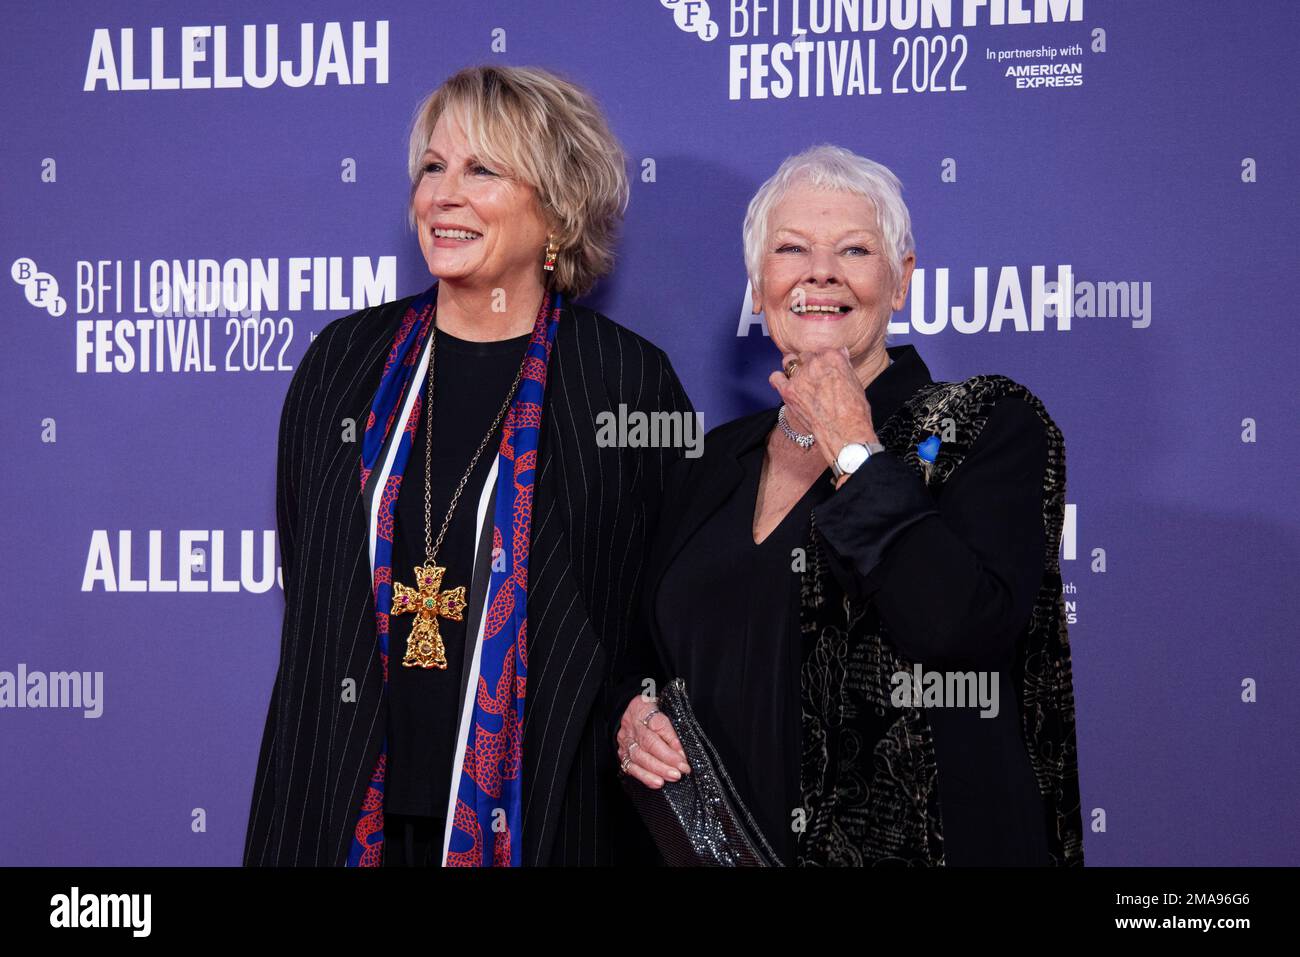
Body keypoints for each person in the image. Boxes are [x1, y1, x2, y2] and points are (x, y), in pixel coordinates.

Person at [245, 65, 692, 867]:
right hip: (340, 812)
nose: (443, 195)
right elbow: (313, 594)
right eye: (432, 167)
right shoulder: (342, 364)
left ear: (556, 207)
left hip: (545, 824)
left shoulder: (623, 382)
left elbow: (651, 619)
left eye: (481, 169)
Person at [615, 144, 1084, 866]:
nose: (820, 272)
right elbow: (648, 647)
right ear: (760, 281)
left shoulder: (984, 426)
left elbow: (960, 627)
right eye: (791, 248)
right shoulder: (710, 462)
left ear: (901, 282)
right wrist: (635, 712)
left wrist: (853, 449)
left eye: (855, 250)